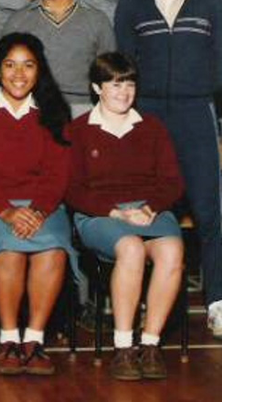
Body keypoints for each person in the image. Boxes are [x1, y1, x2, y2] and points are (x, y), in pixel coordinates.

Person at [114, 0, 221, 337]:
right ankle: (147, 306)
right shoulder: (132, 2)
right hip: (150, 116)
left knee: (211, 210)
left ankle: (218, 302)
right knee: (147, 211)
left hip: (198, 112)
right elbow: (123, 65)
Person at [0, 32, 76, 377]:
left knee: (53, 250)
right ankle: (9, 339)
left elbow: (58, 174)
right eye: (10, 65)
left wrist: (37, 211)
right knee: (7, 248)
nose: (19, 74)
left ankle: (34, 340)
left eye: (28, 65)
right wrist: (7, 212)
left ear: (40, 70)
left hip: (44, 206)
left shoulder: (55, 111)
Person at [65, 52, 184, 381]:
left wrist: (149, 209)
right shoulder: (78, 130)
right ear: (96, 88)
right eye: (115, 85)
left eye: (130, 84)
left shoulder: (153, 128)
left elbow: (172, 181)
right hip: (99, 213)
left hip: (149, 210)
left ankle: (150, 344)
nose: (124, 92)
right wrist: (114, 212)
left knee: (172, 250)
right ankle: (123, 347)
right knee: (130, 247)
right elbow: (71, 188)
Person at [3, 0, 115, 118]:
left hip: (85, 111)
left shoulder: (97, 21)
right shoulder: (18, 22)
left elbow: (111, 81)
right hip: (33, 110)